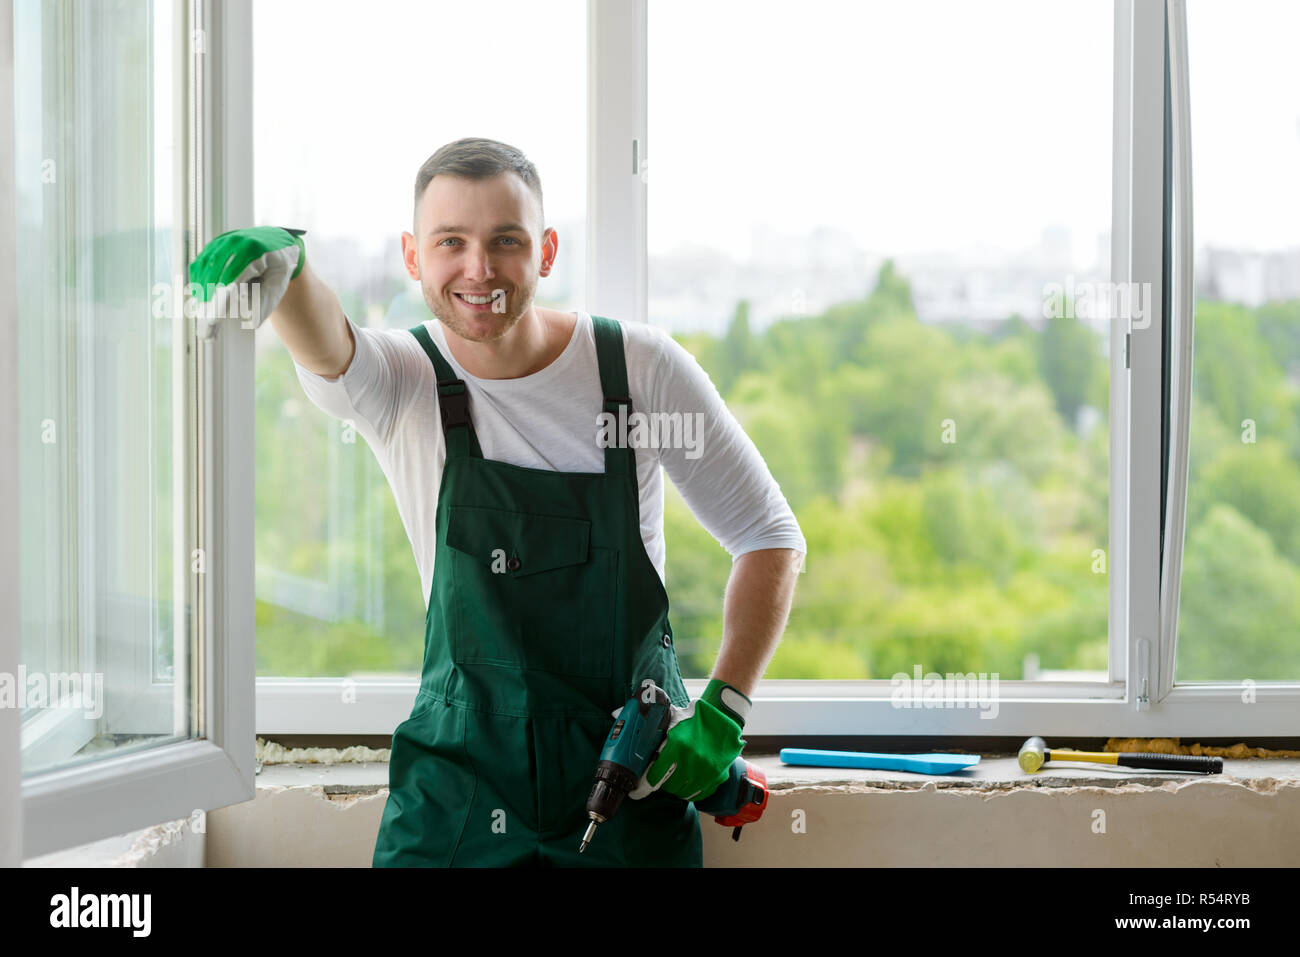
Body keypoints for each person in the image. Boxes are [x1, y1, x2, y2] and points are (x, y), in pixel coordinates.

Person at [189, 136, 806, 867]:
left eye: (504, 241)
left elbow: (767, 534)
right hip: (457, 793)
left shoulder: (637, 371)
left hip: (627, 786)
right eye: (450, 242)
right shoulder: (405, 379)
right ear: (413, 258)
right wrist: (286, 273)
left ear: (544, 252)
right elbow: (328, 345)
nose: (478, 269)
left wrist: (722, 714)